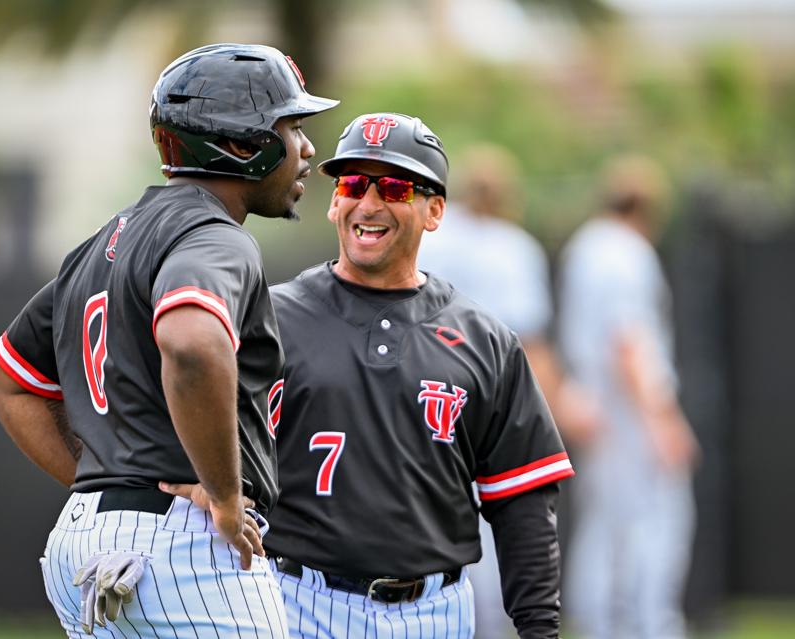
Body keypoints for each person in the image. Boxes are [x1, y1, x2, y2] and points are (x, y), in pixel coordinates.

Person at [0, 43, 337, 638]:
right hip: (178, 544)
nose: (306, 148)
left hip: (84, 537)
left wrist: (109, 484)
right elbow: (192, 342)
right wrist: (224, 496)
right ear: (243, 144)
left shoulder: (104, 242)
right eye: (292, 126)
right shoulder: (214, 236)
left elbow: (4, 381)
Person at [262, 112, 572, 638]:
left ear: (435, 210)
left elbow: (522, 502)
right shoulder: (271, 318)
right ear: (335, 200)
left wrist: (539, 630)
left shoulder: (485, 340)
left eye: (395, 187)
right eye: (354, 183)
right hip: (297, 601)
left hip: (436, 612)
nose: (369, 203)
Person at [419, 143, 597, 638]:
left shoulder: (435, 236)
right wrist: (551, 410)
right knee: (501, 538)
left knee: (439, 528)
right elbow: (530, 341)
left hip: (426, 399)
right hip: (491, 402)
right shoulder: (512, 246)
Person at [557, 155, 699, 639]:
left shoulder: (586, 246)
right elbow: (629, 342)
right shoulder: (626, 252)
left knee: (603, 526)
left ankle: (601, 624)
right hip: (629, 412)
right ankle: (650, 625)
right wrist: (663, 420)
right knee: (658, 524)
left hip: (597, 404)